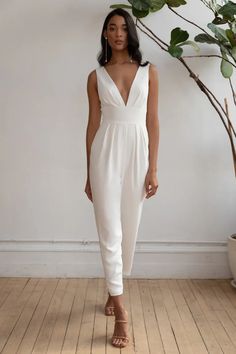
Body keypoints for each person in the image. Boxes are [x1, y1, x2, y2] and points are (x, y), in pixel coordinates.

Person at [85, 7, 159, 348]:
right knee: (109, 230)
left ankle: (113, 287)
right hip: (105, 156)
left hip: (138, 155)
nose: (118, 33)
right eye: (111, 28)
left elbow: (153, 122)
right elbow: (92, 126)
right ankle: (121, 309)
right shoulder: (95, 76)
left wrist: (153, 167)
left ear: (131, 33)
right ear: (104, 34)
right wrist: (89, 173)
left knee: (129, 228)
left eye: (123, 28)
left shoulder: (149, 72)